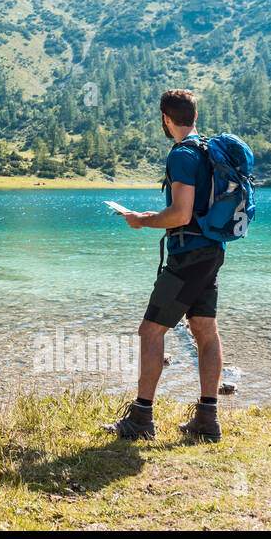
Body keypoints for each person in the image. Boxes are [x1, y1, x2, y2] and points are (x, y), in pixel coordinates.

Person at [103, 89, 224, 442]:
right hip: (211, 250)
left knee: (150, 331)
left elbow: (181, 213)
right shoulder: (207, 151)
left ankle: (141, 419)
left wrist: (141, 219)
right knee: (204, 328)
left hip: (189, 254)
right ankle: (207, 419)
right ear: (194, 117)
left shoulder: (183, 156)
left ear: (166, 119)